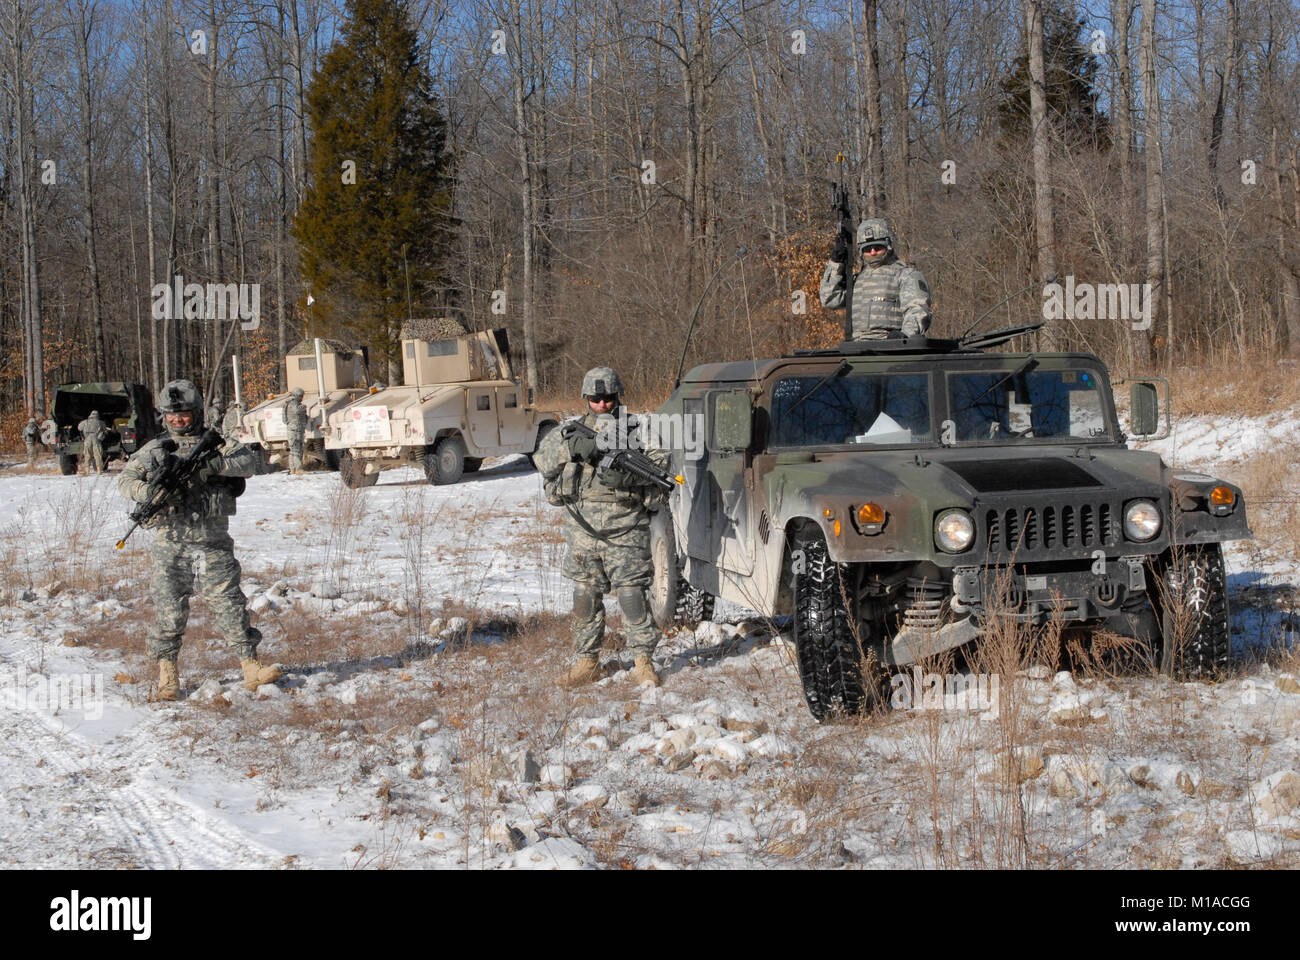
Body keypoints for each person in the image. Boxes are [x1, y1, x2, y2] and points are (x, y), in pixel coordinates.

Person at [118, 379, 279, 701]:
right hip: (171, 543)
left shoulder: (217, 443)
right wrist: (149, 491)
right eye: (171, 415)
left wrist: (216, 465)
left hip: (211, 541)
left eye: (184, 414)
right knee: (170, 611)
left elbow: (248, 462)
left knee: (229, 604)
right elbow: (126, 480)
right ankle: (167, 675)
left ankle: (250, 667)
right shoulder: (157, 449)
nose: (178, 420)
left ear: (196, 413)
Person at [534, 367, 669, 688]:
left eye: (608, 398)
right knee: (584, 596)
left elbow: (662, 467)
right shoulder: (571, 431)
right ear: (586, 398)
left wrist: (628, 475)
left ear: (618, 395)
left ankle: (643, 662)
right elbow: (542, 460)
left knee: (632, 596)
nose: (603, 404)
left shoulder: (638, 429)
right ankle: (587, 662)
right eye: (596, 399)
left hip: (626, 527)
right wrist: (571, 449)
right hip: (582, 531)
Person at [819, 217, 932, 339]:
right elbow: (829, 299)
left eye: (878, 247)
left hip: (889, 344)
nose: (873, 252)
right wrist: (836, 264)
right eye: (867, 249)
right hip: (857, 345)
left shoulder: (905, 276)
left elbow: (917, 309)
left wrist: (905, 336)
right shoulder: (857, 280)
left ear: (888, 246)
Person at [283, 387, 307, 474]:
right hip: (295, 431)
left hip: (295, 430)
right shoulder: (293, 403)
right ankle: (298, 469)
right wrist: (303, 407)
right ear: (296, 395)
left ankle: (293, 469)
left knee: (293, 451)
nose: (301, 398)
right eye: (300, 396)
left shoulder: (290, 403)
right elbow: (296, 411)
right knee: (297, 450)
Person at [78, 409, 108, 474]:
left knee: (87, 455)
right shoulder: (101, 422)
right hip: (96, 439)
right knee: (98, 455)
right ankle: (99, 470)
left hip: (87, 439)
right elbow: (105, 431)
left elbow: (79, 428)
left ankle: (87, 471)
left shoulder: (85, 422)